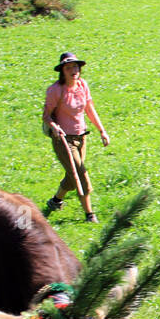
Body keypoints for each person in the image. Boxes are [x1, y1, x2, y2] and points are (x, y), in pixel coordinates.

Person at [42, 51, 110, 223]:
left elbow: (89, 109)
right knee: (80, 175)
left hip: (82, 137)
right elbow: (46, 115)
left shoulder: (82, 85)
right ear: (62, 71)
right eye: (69, 67)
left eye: (75, 66)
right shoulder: (55, 90)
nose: (73, 70)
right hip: (64, 139)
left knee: (72, 175)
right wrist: (54, 127)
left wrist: (102, 131)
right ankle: (90, 215)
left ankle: (55, 201)